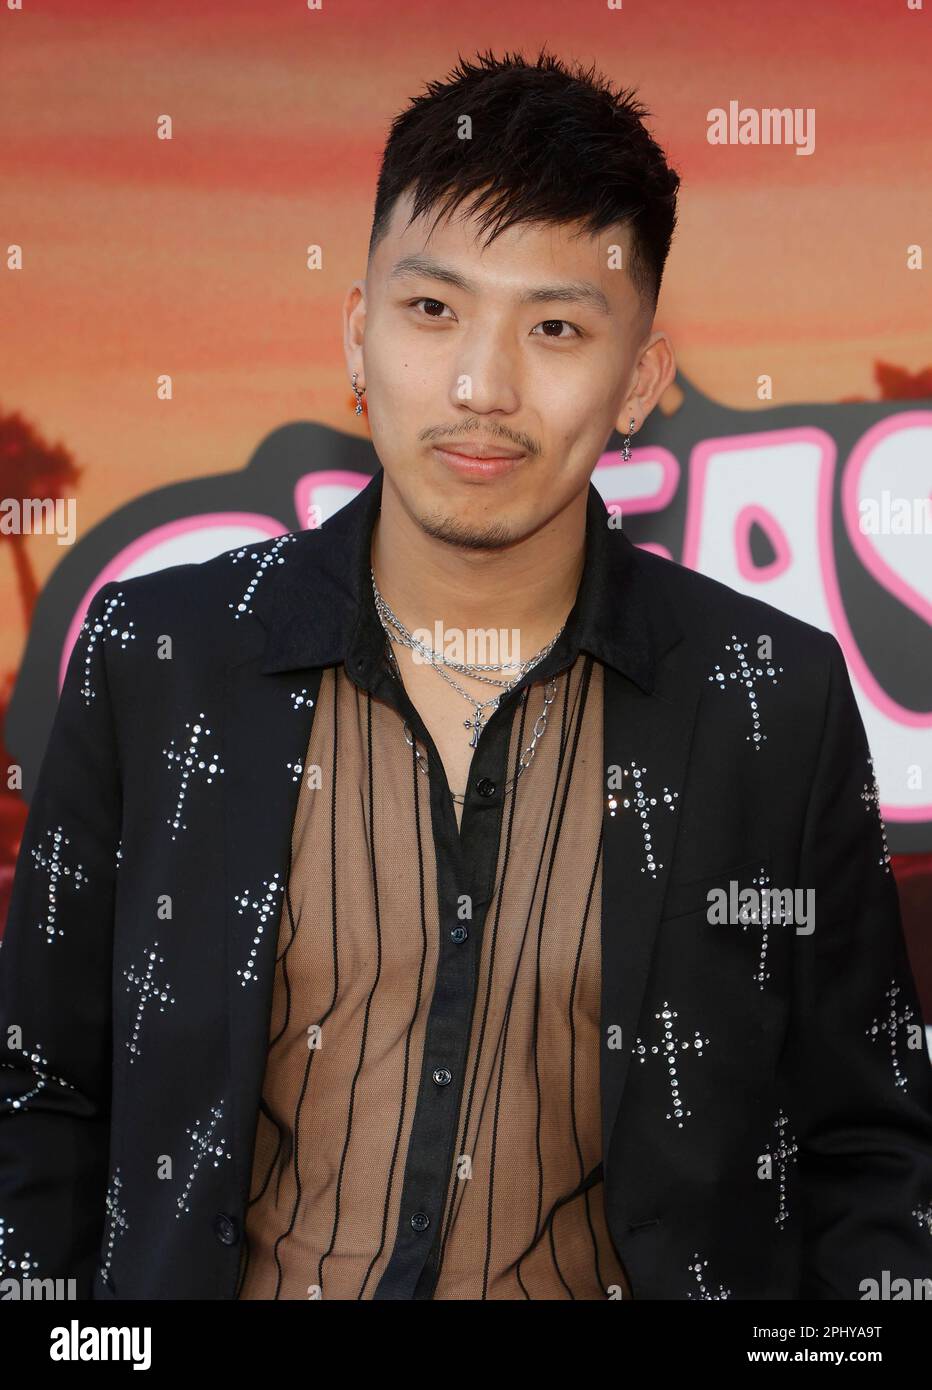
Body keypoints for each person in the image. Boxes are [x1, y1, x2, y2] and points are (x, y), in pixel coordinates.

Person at [2, 47, 931, 1302]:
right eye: (432, 310)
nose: (479, 389)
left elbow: (864, 1143)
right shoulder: (160, 658)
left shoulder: (769, 699)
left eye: (552, 328)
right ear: (356, 333)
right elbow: (37, 1094)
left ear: (641, 379)